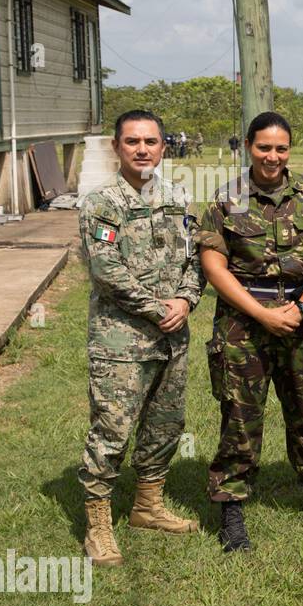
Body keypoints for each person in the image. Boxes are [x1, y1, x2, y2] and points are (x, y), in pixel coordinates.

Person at [195, 111, 303, 552]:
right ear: (248, 147)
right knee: (240, 415)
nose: (272, 156)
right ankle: (232, 507)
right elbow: (213, 265)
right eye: (263, 147)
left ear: (289, 150)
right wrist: (261, 313)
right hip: (243, 324)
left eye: (280, 148)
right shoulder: (226, 199)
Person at [76, 109, 203, 566]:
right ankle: (98, 526)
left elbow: (198, 259)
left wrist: (186, 301)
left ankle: (148, 506)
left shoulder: (179, 199)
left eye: (151, 141)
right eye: (133, 141)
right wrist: (157, 308)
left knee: (166, 424)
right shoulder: (101, 204)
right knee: (112, 429)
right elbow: (105, 269)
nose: (142, 149)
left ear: (163, 147)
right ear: (117, 147)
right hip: (121, 342)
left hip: (173, 338)